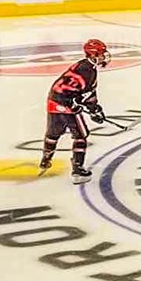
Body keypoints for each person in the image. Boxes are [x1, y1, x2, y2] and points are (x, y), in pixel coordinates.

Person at [40, 39, 110, 185]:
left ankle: (46, 159)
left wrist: (94, 109)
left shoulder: (82, 65)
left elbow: (82, 93)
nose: (105, 56)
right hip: (64, 104)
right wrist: (79, 105)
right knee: (81, 135)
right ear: (94, 55)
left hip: (54, 101)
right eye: (102, 54)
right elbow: (82, 93)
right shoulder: (88, 71)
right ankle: (78, 169)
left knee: (53, 133)